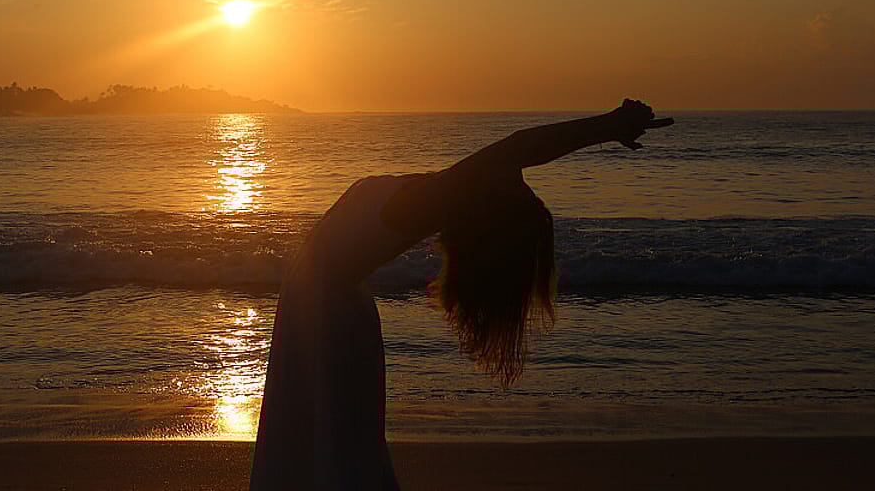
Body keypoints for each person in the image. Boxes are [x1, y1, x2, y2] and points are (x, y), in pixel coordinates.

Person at [249, 99, 674, 490]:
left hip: (324, 368)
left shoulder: (411, 211)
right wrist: (606, 127)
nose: (518, 180)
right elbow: (515, 150)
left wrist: (606, 127)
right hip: (325, 380)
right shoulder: (415, 207)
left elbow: (509, 154)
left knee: (340, 454)